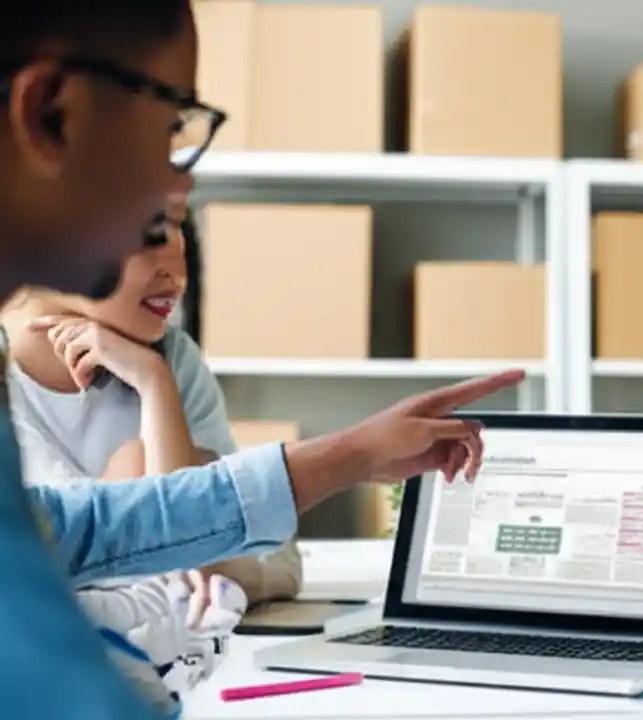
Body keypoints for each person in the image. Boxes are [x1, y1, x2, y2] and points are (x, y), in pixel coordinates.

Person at [0, 3, 522, 717]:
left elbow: (89, 529)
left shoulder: (163, 360)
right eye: (167, 129)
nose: (179, 179)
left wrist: (355, 453)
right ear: (51, 114)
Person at [1, 199, 302, 706]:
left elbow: (209, 538)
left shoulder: (171, 359)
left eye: (181, 237)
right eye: (152, 237)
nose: (177, 275)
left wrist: (153, 381)